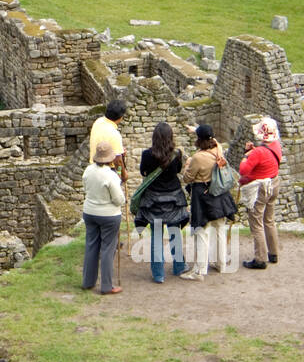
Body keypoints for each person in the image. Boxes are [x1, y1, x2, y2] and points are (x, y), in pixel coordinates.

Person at [179, 125, 237, 280]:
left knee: (202, 231)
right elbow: (211, 137)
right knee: (219, 228)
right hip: (219, 194)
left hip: (203, 195)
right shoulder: (218, 148)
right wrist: (196, 129)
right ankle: (221, 263)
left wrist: (186, 166)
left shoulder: (199, 158)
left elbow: (187, 178)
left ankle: (200, 270)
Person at [136, 122, 189, 283]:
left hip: (154, 200)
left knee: (156, 235)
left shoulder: (147, 154)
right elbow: (178, 170)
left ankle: (158, 273)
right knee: (175, 233)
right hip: (173, 198)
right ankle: (179, 266)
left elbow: (143, 171)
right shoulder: (176, 154)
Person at [81, 142, 126, 294]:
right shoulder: (111, 176)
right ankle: (106, 286)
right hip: (108, 215)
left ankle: (88, 282)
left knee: (91, 245)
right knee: (108, 248)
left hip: (90, 212)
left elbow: (85, 188)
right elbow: (119, 200)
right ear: (110, 158)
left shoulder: (88, 170)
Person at [239, 117, 282, 270]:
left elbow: (243, 170)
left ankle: (260, 258)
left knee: (256, 222)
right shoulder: (276, 146)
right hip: (274, 183)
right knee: (269, 220)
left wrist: (246, 155)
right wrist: (254, 153)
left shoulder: (258, 152)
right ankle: (273, 252)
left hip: (261, 188)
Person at [88, 99, 127, 179]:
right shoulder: (114, 134)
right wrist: (123, 175)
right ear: (121, 117)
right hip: (108, 171)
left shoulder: (98, 121)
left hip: (93, 167)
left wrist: (119, 149)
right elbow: (118, 161)